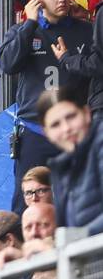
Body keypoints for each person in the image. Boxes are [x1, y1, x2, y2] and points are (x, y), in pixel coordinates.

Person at [0, 0, 91, 206]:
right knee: (28, 201)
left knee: (79, 201)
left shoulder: (86, 31)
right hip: (34, 132)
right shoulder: (23, 31)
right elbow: (7, 65)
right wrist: (29, 24)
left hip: (74, 133)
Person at [42, 90, 103, 234]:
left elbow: (72, 235)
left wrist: (73, 239)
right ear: (47, 133)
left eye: (71, 117)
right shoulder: (62, 166)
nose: (66, 129)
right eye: (55, 125)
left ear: (87, 114)